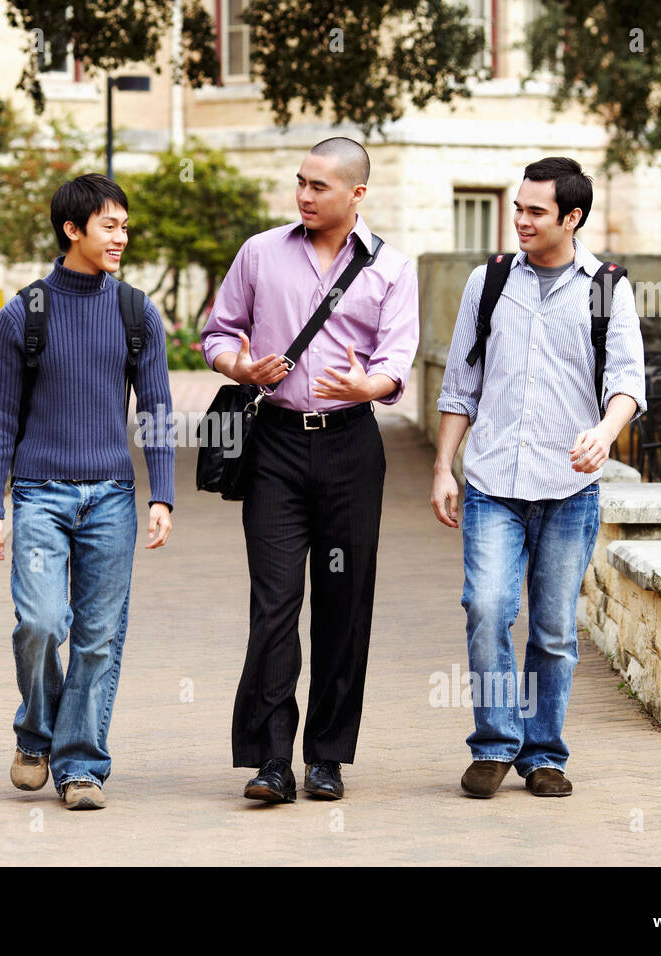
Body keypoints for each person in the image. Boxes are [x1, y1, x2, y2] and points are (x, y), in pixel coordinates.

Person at [201, 137, 419, 803]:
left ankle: (327, 756)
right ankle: (271, 760)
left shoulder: (392, 268)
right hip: (275, 448)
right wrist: (242, 366)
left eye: (319, 186)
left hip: (352, 449)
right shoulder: (260, 252)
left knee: (343, 607)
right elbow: (216, 334)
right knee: (273, 607)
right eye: (300, 182)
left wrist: (370, 387)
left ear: (356, 194)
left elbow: (397, 360)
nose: (304, 195)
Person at [432, 156, 646, 799]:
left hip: (568, 489)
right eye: (517, 208)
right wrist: (444, 465)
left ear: (571, 218)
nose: (519, 219)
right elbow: (460, 383)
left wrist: (604, 436)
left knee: (553, 630)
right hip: (494, 483)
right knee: (488, 607)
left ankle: (544, 753)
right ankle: (495, 745)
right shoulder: (489, 280)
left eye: (534, 211)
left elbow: (628, 381)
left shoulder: (607, 286)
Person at [0, 173, 174, 811]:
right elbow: (1, 417)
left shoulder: (135, 311)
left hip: (112, 498)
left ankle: (81, 764)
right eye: (109, 226)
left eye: (124, 225)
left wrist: (161, 494)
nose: (122, 236)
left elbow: (159, 411)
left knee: (97, 637)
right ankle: (35, 732)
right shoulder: (22, 313)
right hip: (39, 494)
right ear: (73, 230)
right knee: (39, 623)